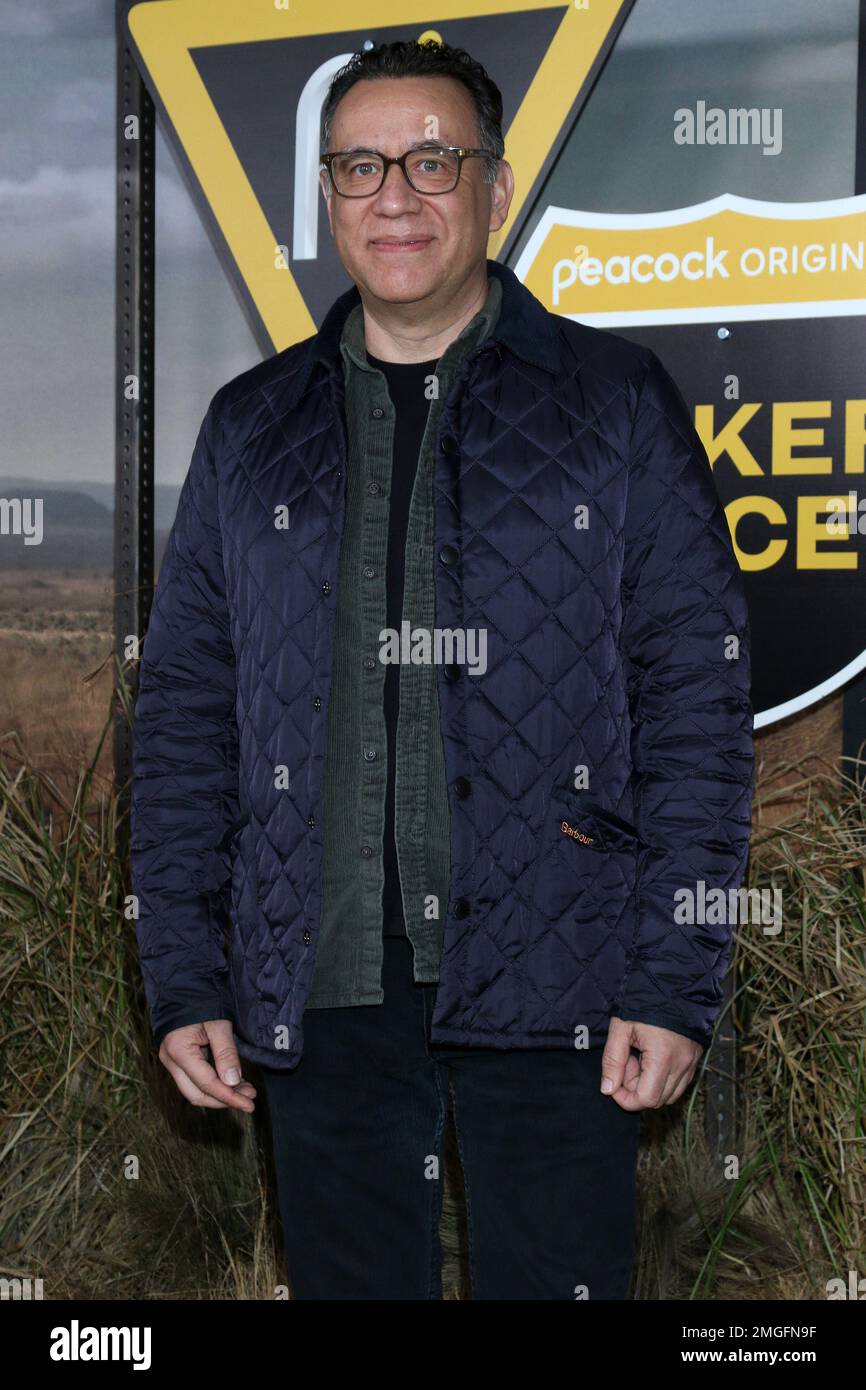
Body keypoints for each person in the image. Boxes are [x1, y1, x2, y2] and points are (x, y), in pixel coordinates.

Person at [131, 39, 754, 1300]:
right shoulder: (250, 428)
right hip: (322, 980)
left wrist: (673, 981)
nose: (395, 196)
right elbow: (186, 717)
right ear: (325, 197)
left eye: (432, 158)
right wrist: (185, 971)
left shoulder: (613, 402)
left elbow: (695, 698)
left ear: (495, 185)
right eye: (360, 165)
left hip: (560, 979)